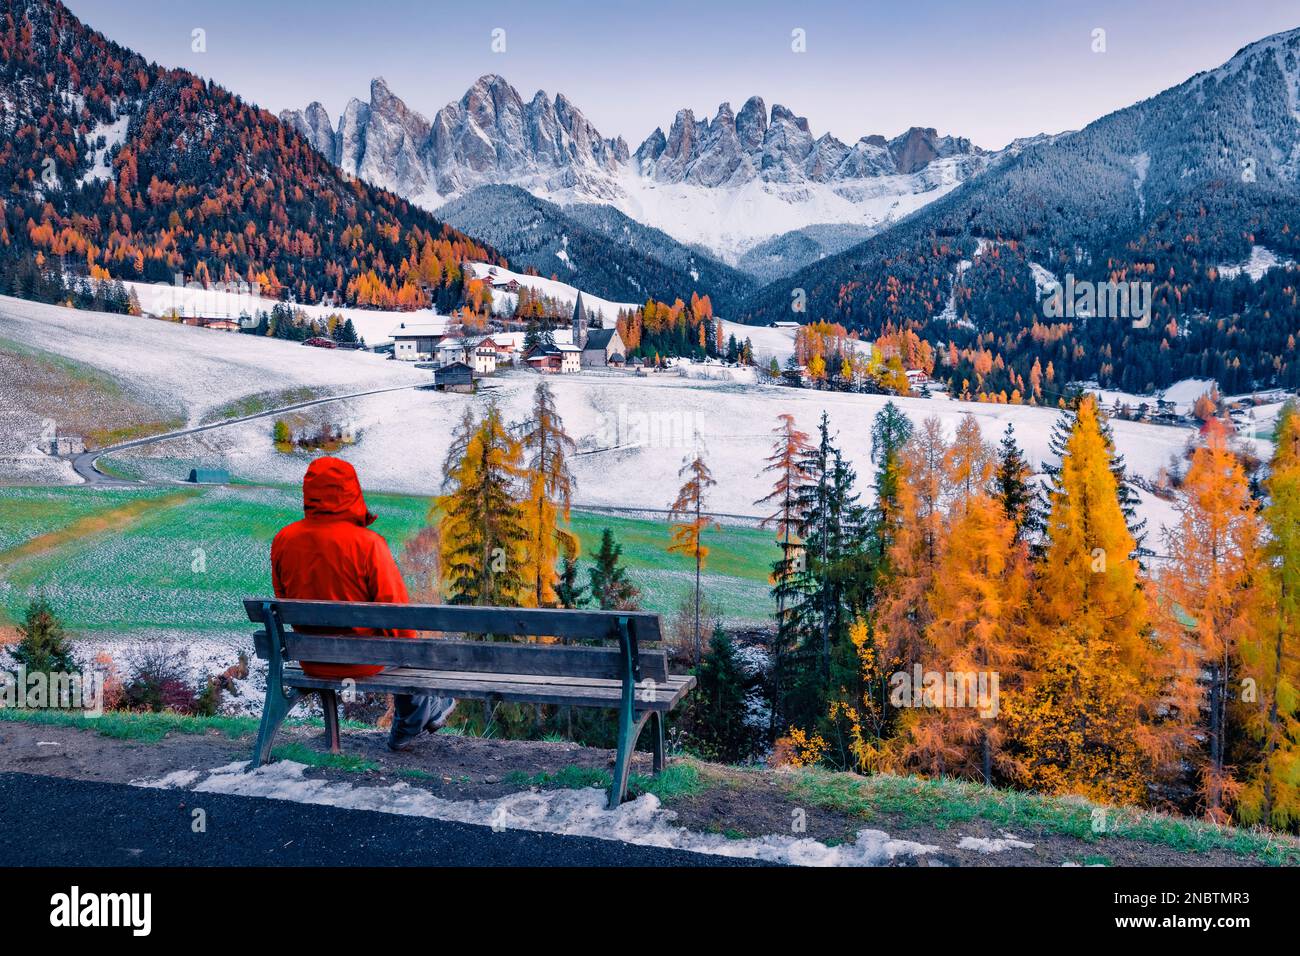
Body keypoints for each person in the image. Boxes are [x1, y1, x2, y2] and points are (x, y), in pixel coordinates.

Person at [271, 456, 453, 751]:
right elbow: (397, 616)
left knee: (399, 650)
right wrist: (409, 649)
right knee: (406, 648)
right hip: (363, 660)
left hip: (312, 659)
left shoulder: (283, 540)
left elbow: (282, 597)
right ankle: (417, 717)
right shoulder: (368, 544)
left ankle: (422, 713)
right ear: (352, 490)